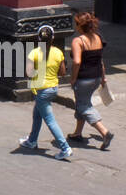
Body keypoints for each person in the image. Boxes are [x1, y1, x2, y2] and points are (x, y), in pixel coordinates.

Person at [20, 25, 72, 160]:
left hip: (41, 90)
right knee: (37, 115)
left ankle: (65, 147)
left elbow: (29, 73)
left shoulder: (34, 54)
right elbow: (62, 72)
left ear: (38, 38)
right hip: (53, 88)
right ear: (53, 38)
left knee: (50, 120)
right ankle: (32, 140)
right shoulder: (58, 53)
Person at [69, 12, 112, 150]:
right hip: (97, 77)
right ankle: (77, 133)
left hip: (84, 79)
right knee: (83, 102)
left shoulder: (78, 41)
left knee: (84, 106)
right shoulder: (98, 38)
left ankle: (104, 132)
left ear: (79, 26)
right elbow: (100, 60)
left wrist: (73, 78)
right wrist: (103, 78)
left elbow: (77, 61)